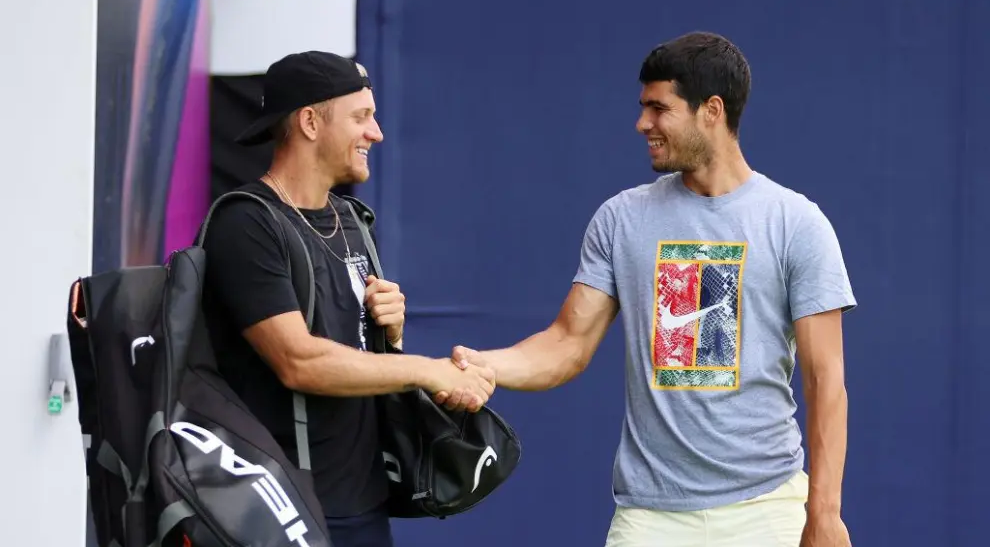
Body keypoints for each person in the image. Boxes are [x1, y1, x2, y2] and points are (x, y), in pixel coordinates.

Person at [442, 32, 856, 546]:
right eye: (643, 108)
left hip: (767, 508)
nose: (642, 124)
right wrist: (486, 365)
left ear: (712, 111)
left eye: (659, 109)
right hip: (649, 517)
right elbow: (568, 343)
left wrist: (824, 513)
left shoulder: (797, 224)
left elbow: (824, 379)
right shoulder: (620, 219)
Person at [200, 50, 495, 547]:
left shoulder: (352, 221)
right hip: (281, 512)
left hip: (363, 505)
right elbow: (300, 362)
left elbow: (353, 355)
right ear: (310, 122)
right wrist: (427, 370)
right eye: (361, 117)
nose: (376, 133)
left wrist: (390, 336)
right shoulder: (246, 223)